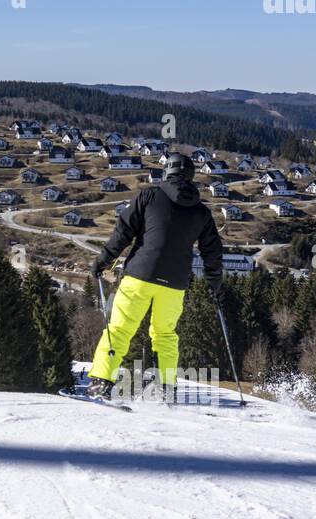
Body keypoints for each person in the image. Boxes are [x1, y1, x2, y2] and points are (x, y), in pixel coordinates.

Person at [84, 152, 223, 403]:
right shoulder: (202, 213)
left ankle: (101, 383)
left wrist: (101, 261)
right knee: (165, 335)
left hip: (140, 275)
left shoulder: (149, 196)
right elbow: (212, 252)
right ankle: (166, 390)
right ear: (191, 176)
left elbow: (122, 233)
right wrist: (214, 284)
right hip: (175, 284)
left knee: (119, 330)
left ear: (166, 172)